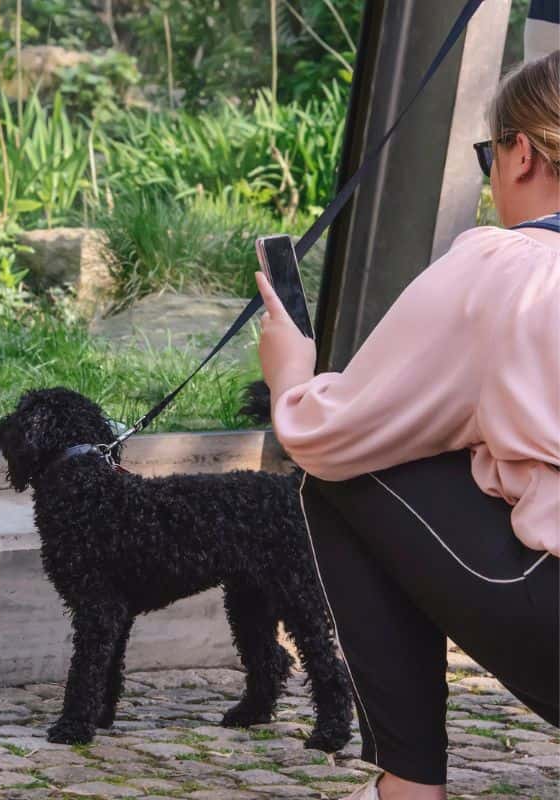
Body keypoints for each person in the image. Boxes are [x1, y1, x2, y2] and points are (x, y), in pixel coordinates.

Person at [254, 51, 559, 800]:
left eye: (491, 154)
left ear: (522, 152)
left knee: (341, 476)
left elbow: (336, 433)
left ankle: (408, 786)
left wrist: (290, 373)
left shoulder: (510, 265)